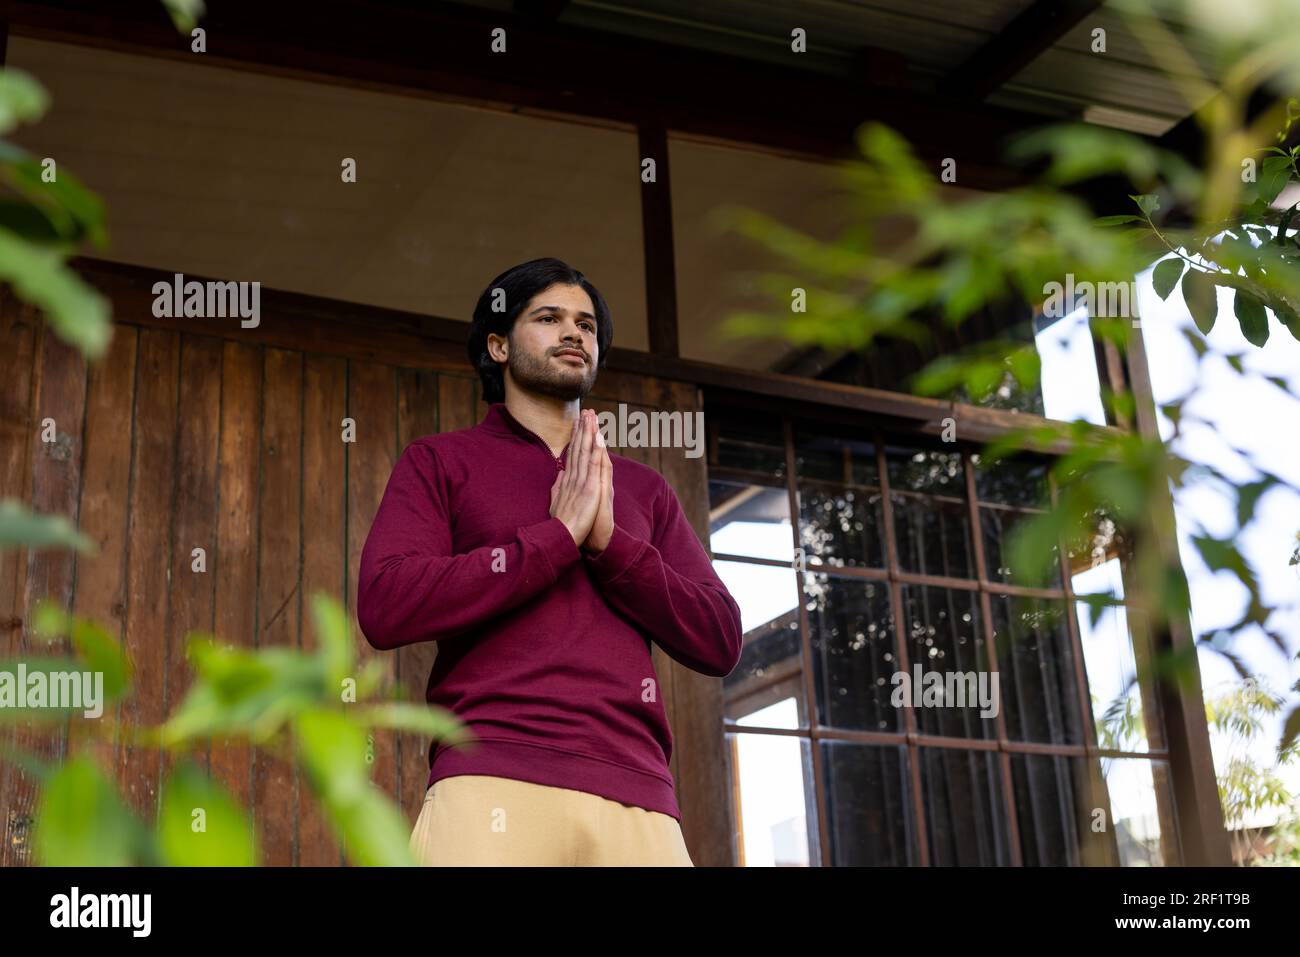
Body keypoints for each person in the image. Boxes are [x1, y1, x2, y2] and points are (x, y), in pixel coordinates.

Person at [357, 257, 744, 866]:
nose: (574, 333)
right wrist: (556, 537)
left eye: (587, 325)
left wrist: (609, 544)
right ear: (498, 345)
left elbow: (719, 638)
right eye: (548, 318)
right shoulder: (439, 461)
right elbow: (386, 602)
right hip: (490, 781)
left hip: (637, 796)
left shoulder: (642, 489)